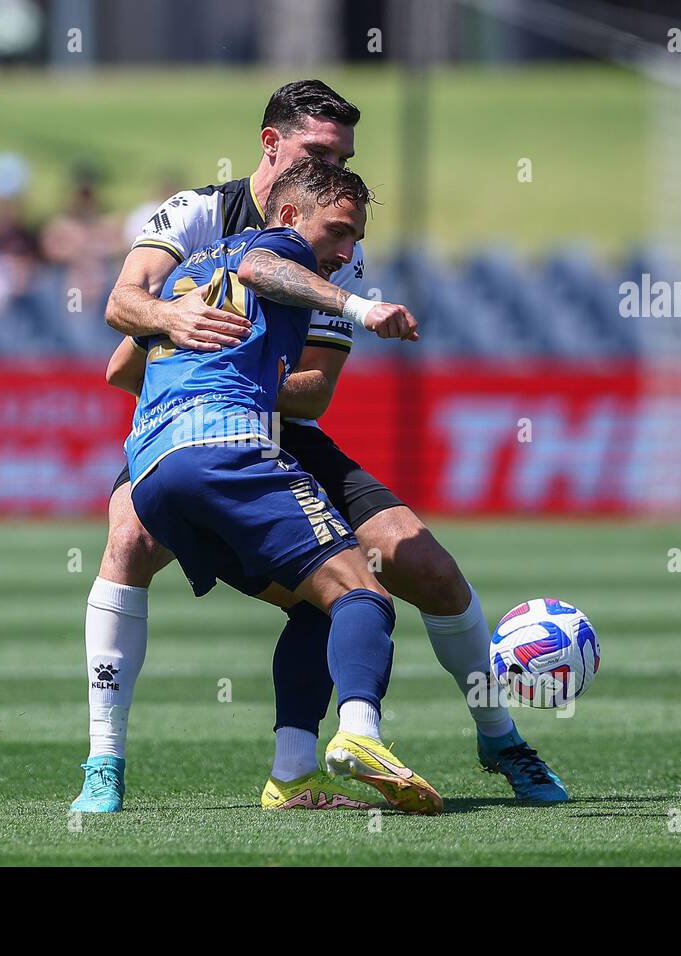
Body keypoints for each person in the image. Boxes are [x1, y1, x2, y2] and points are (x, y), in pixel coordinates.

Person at [75, 79, 567, 814]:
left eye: (346, 155)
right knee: (127, 543)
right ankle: (104, 762)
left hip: (261, 425)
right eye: (321, 151)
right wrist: (179, 331)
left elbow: (315, 391)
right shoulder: (203, 213)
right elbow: (122, 314)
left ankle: (493, 737)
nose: (338, 168)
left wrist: (230, 368)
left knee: (420, 566)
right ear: (273, 147)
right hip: (205, 427)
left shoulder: (340, 245)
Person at [122, 159, 439, 813]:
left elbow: (119, 366)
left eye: (356, 239)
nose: (348, 251)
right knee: (364, 596)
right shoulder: (275, 247)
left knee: (313, 608)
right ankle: (360, 735)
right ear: (291, 215)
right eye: (340, 231)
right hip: (225, 447)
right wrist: (361, 304)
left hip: (153, 471)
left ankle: (293, 775)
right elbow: (262, 269)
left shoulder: (190, 272)